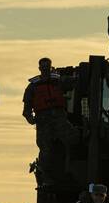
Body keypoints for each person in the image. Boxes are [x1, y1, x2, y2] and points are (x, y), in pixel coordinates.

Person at [22, 57, 76, 189]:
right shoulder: (33, 86)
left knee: (73, 141)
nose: (45, 69)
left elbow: (76, 83)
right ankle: (47, 178)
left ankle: (72, 171)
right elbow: (27, 107)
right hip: (43, 121)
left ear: (51, 66)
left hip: (59, 119)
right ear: (39, 68)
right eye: (43, 66)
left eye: (47, 66)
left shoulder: (59, 81)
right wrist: (30, 118)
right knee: (46, 150)